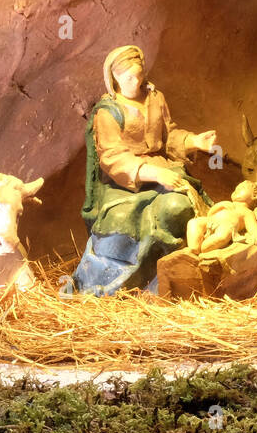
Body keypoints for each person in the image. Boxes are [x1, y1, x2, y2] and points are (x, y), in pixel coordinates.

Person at [70, 45, 217, 295]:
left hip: (164, 172)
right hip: (123, 186)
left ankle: (178, 272)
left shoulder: (154, 98)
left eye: (139, 74)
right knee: (122, 222)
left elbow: (168, 136)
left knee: (178, 207)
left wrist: (193, 141)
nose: (136, 81)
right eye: (129, 77)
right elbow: (113, 157)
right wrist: (152, 173)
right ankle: (136, 282)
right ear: (114, 78)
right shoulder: (108, 112)